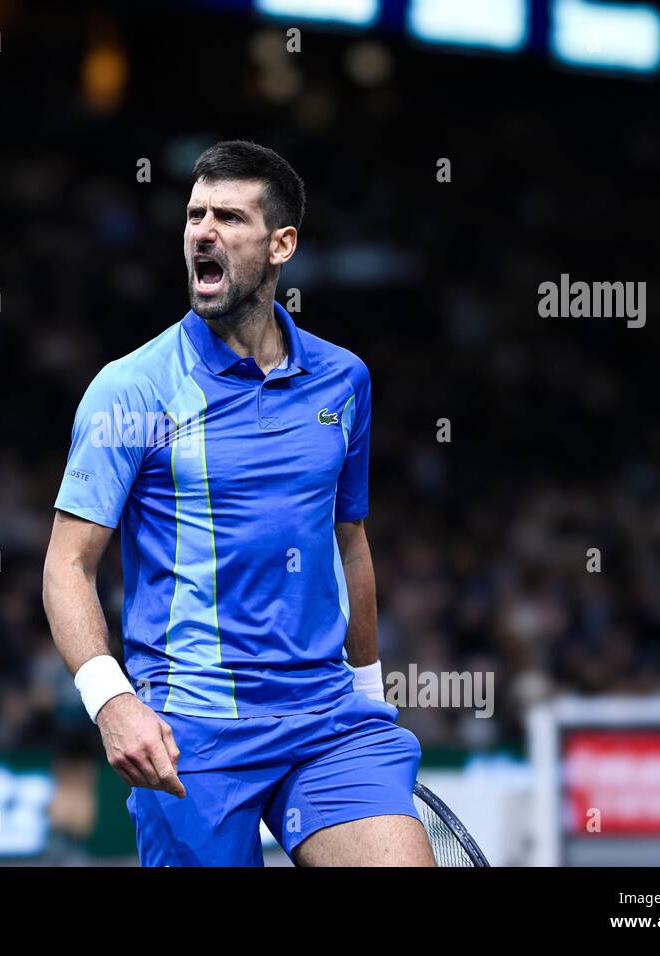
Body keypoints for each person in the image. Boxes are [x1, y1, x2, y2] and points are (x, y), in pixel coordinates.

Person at [43, 140, 434, 866]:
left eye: (228, 216)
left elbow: (348, 540)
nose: (202, 232)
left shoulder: (344, 380)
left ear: (282, 244)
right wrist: (112, 700)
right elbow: (67, 564)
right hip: (189, 732)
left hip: (326, 719)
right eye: (195, 216)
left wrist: (370, 689)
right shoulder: (131, 390)